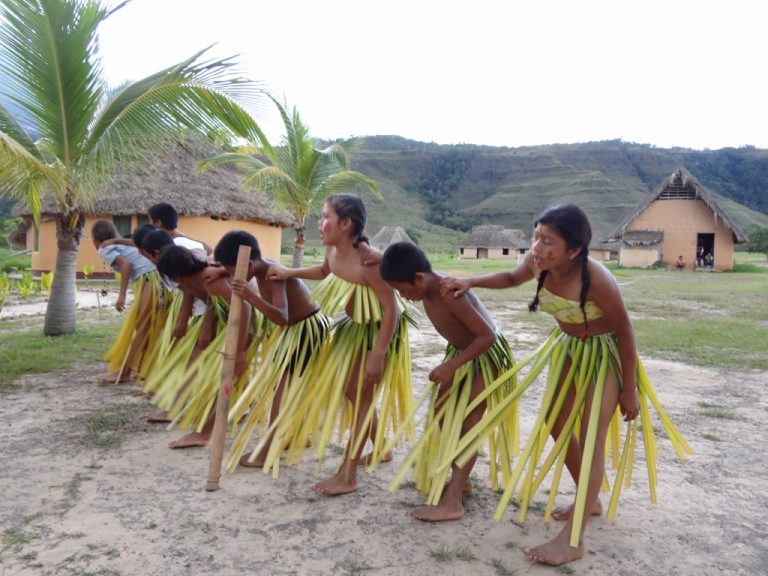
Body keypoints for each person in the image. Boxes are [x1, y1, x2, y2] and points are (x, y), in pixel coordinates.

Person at [441, 204, 692, 566]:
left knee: (592, 436)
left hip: (605, 356)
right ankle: (590, 501)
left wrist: (629, 389)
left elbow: (624, 331)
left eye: (548, 241)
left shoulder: (598, 279)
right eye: (536, 236)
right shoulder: (538, 263)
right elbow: (512, 278)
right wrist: (471, 281)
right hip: (568, 349)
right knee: (556, 423)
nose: (538, 247)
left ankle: (572, 539)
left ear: (574, 250)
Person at [268, 193, 413, 496]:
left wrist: (378, 353)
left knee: (360, 394)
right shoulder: (334, 252)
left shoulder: (369, 261)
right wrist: (289, 272)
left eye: (325, 217)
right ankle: (382, 449)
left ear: (346, 224)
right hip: (354, 327)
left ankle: (348, 475)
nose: (320, 224)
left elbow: (391, 310)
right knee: (353, 391)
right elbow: (323, 272)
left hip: (380, 333)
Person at [378, 242, 518, 522]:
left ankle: (453, 501)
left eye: (405, 291)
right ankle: (461, 479)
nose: (405, 298)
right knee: (442, 413)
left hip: (488, 356)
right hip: (463, 354)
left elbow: (487, 336)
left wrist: (452, 365)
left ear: (419, 278)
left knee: (468, 423)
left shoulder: (449, 293)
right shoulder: (426, 290)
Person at [212, 230, 331, 472]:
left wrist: (249, 296)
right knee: (285, 386)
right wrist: (220, 270)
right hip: (296, 331)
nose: (233, 275)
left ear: (251, 264)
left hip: (305, 329)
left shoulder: (273, 275)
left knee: (281, 390)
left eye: (234, 269)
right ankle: (296, 435)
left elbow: (283, 318)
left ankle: (268, 451)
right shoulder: (258, 267)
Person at [153, 245, 258, 449]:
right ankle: (243, 404)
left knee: (224, 376)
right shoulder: (194, 280)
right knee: (207, 364)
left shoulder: (210, 279)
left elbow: (245, 307)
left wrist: (238, 351)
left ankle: (204, 433)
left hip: (249, 322)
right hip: (231, 320)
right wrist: (205, 326)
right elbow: (212, 300)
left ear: (174, 276)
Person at [91, 220, 168, 385]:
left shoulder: (104, 247)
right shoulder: (124, 244)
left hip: (150, 280)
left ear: (94, 238)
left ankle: (125, 372)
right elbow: (137, 244)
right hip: (159, 279)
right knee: (146, 327)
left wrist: (122, 295)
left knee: (141, 328)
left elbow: (125, 265)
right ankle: (141, 368)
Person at [148, 202, 212, 257]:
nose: (149, 223)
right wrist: (184, 236)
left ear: (158, 223)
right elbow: (209, 249)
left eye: (150, 220)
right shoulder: (183, 241)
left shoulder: (169, 246)